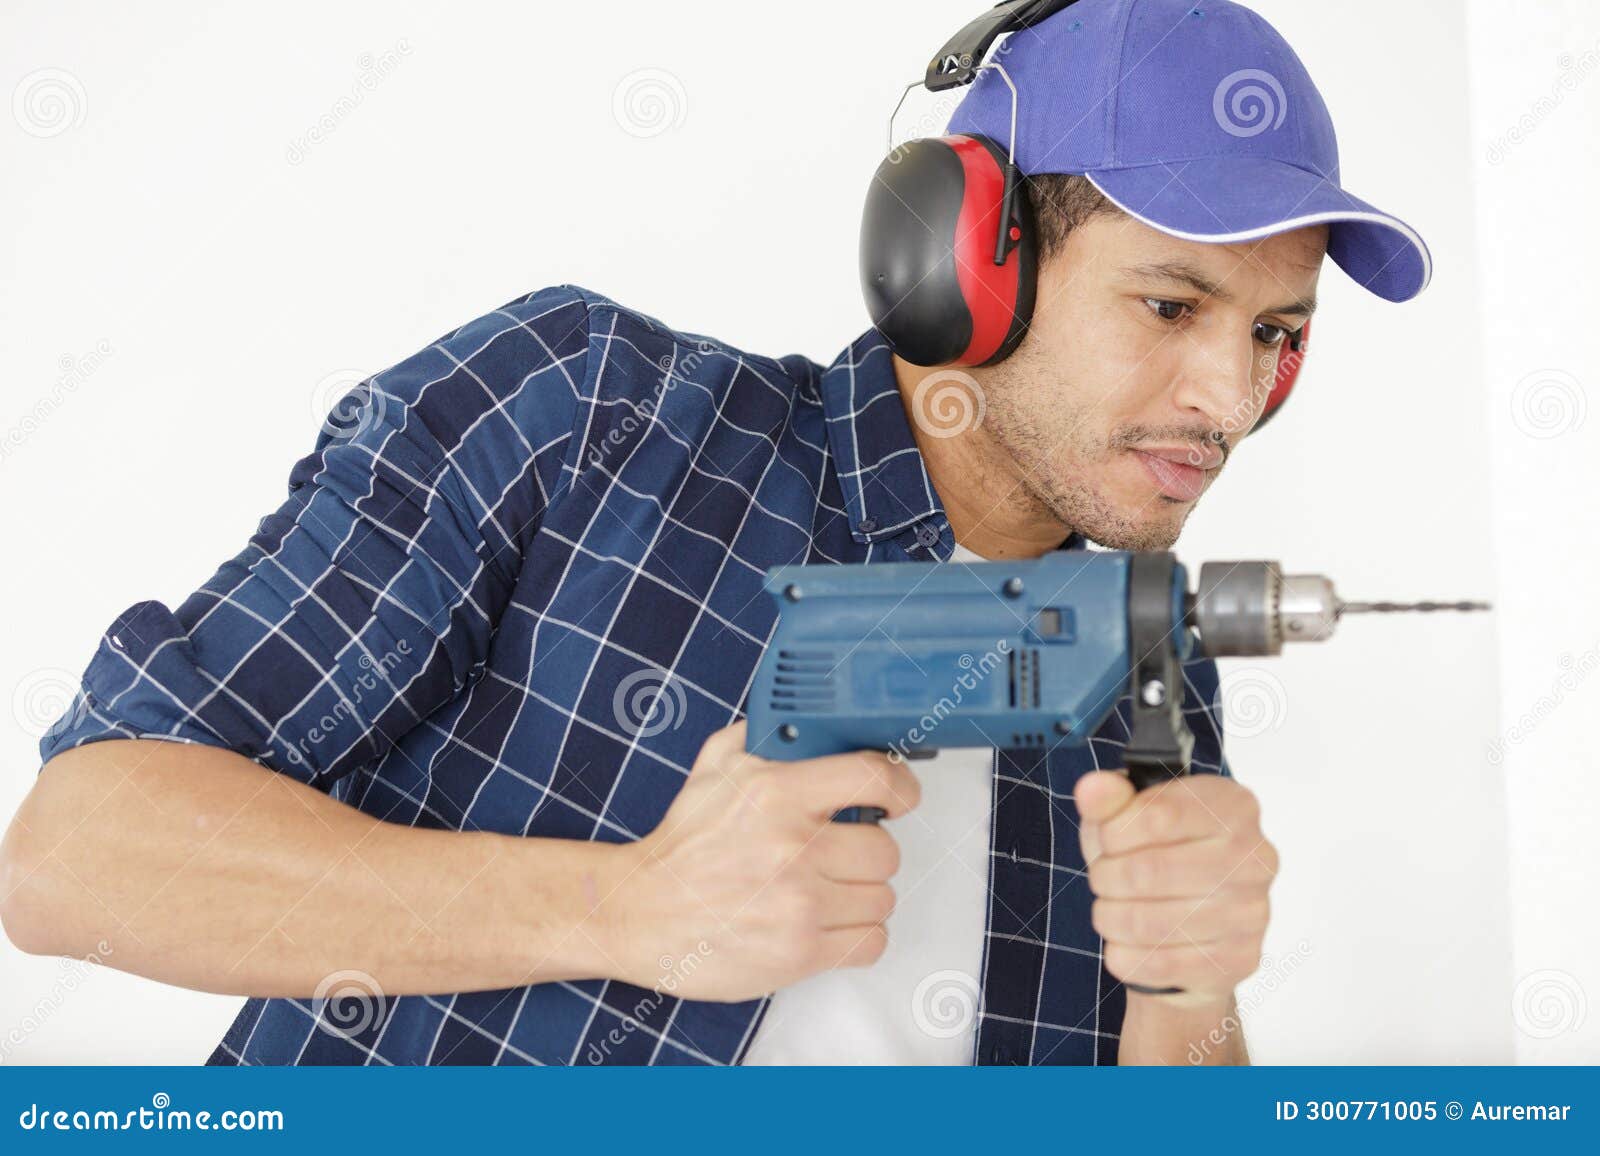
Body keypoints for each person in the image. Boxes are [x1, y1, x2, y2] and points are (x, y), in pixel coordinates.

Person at [0, 0, 1429, 1066]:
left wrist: (1194, 1004)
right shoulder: (591, 416)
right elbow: (80, 855)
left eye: (1277, 334)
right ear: (963, 260)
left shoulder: (1142, 659)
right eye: (1172, 307)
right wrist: (628, 910)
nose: (1228, 398)